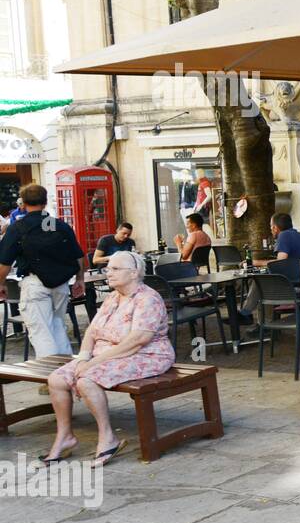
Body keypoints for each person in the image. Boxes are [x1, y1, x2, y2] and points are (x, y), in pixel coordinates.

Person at [40, 251, 174, 467]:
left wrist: (91, 364)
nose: (108, 273)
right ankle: (65, 436)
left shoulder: (147, 298)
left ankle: (107, 437)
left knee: (86, 379)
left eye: (114, 269)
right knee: (56, 379)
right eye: (108, 268)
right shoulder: (113, 297)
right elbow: (92, 332)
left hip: (146, 354)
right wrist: (83, 358)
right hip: (104, 355)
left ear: (133, 273)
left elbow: (137, 341)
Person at [0, 183, 87, 358]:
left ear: (23, 203)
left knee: (41, 331)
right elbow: (79, 256)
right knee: (57, 325)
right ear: (45, 202)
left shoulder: (17, 228)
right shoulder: (59, 225)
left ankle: (52, 378)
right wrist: (80, 279)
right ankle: (66, 373)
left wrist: (1, 283)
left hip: (34, 284)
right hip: (61, 284)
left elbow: (4, 263)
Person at [240, 215, 300, 319]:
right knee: (265, 280)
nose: (271, 230)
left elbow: (280, 262)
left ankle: (249, 315)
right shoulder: (298, 235)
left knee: (261, 281)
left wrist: (254, 262)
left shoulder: (284, 236)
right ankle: (259, 321)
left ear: (275, 228)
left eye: (271, 227)